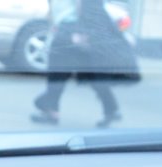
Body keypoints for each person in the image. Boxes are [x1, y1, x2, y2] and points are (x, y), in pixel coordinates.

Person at [31, 0, 138, 128]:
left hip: (73, 31)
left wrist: (79, 32)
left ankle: (50, 109)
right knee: (89, 75)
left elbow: (87, 6)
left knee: (58, 73)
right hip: (72, 31)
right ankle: (111, 109)